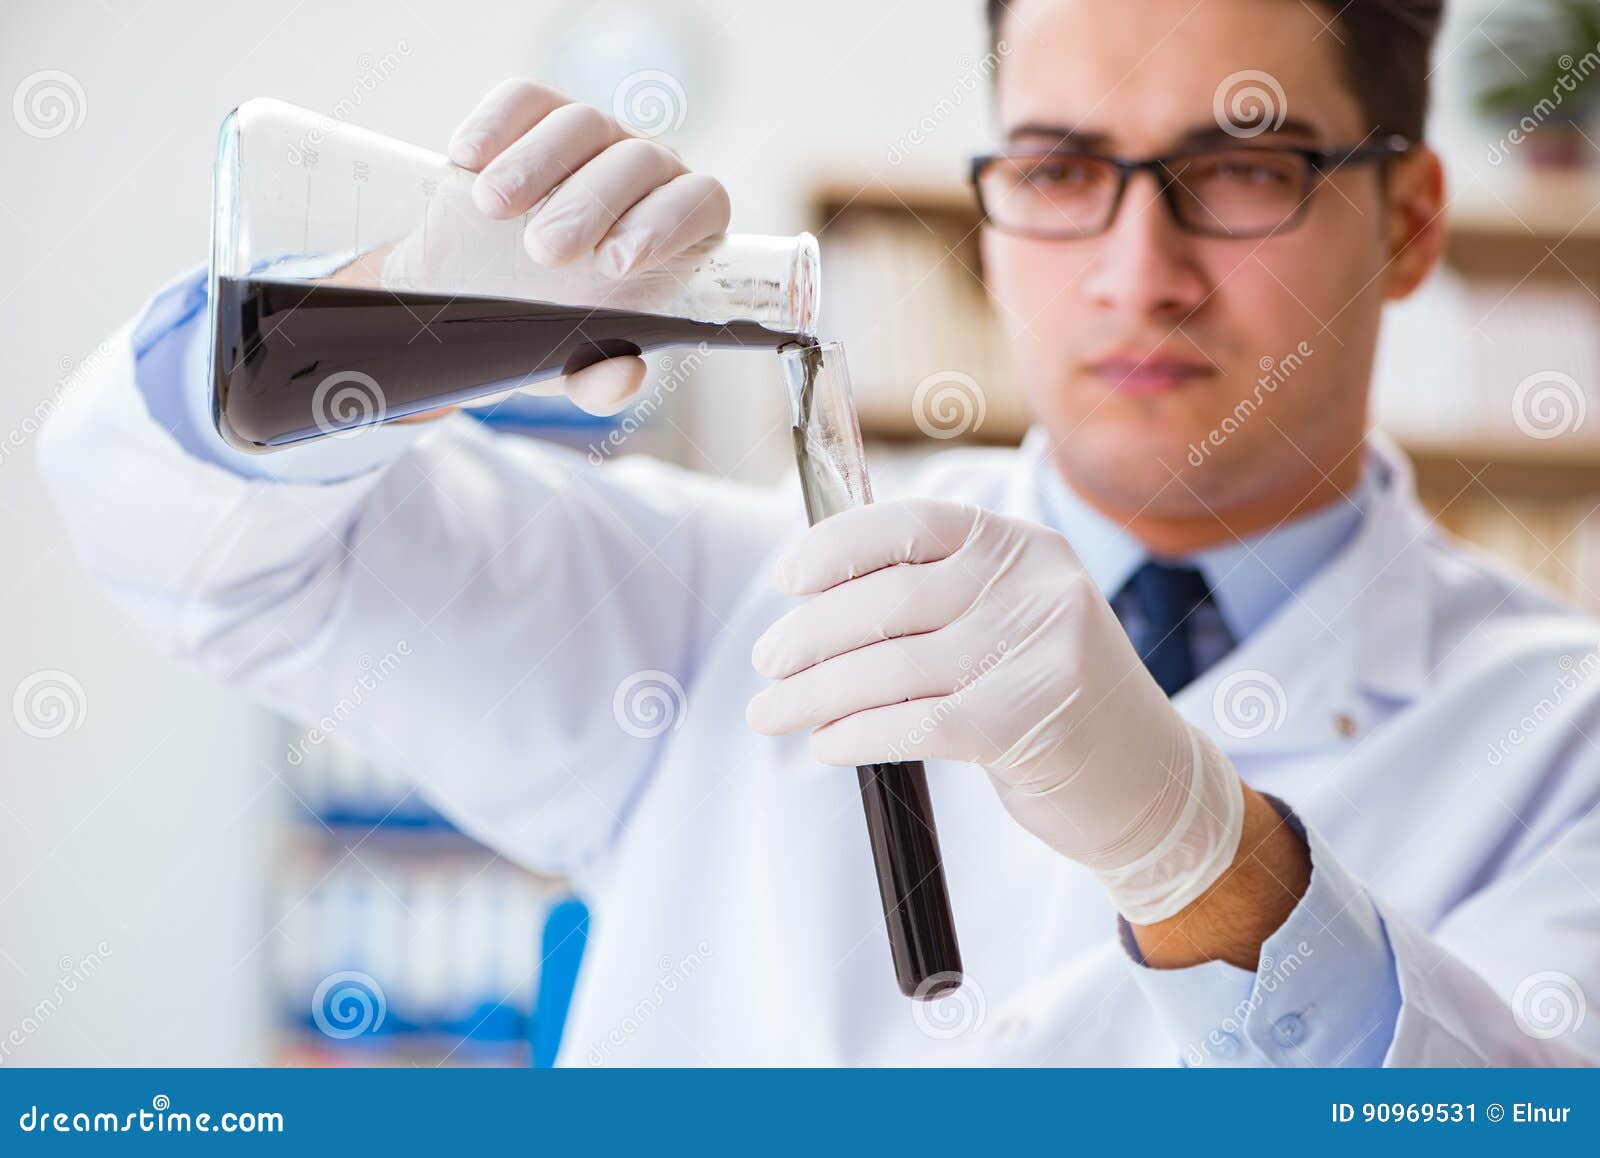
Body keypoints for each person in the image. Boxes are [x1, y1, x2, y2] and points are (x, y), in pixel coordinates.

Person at [37, 0, 1600, 1066]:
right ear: (989, 214)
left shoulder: (1564, 734)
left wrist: (1202, 853)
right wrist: (380, 317)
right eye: (1059, 171)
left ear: (1405, 221)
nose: (1138, 270)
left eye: (1241, 170)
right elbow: (157, 520)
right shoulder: (700, 602)